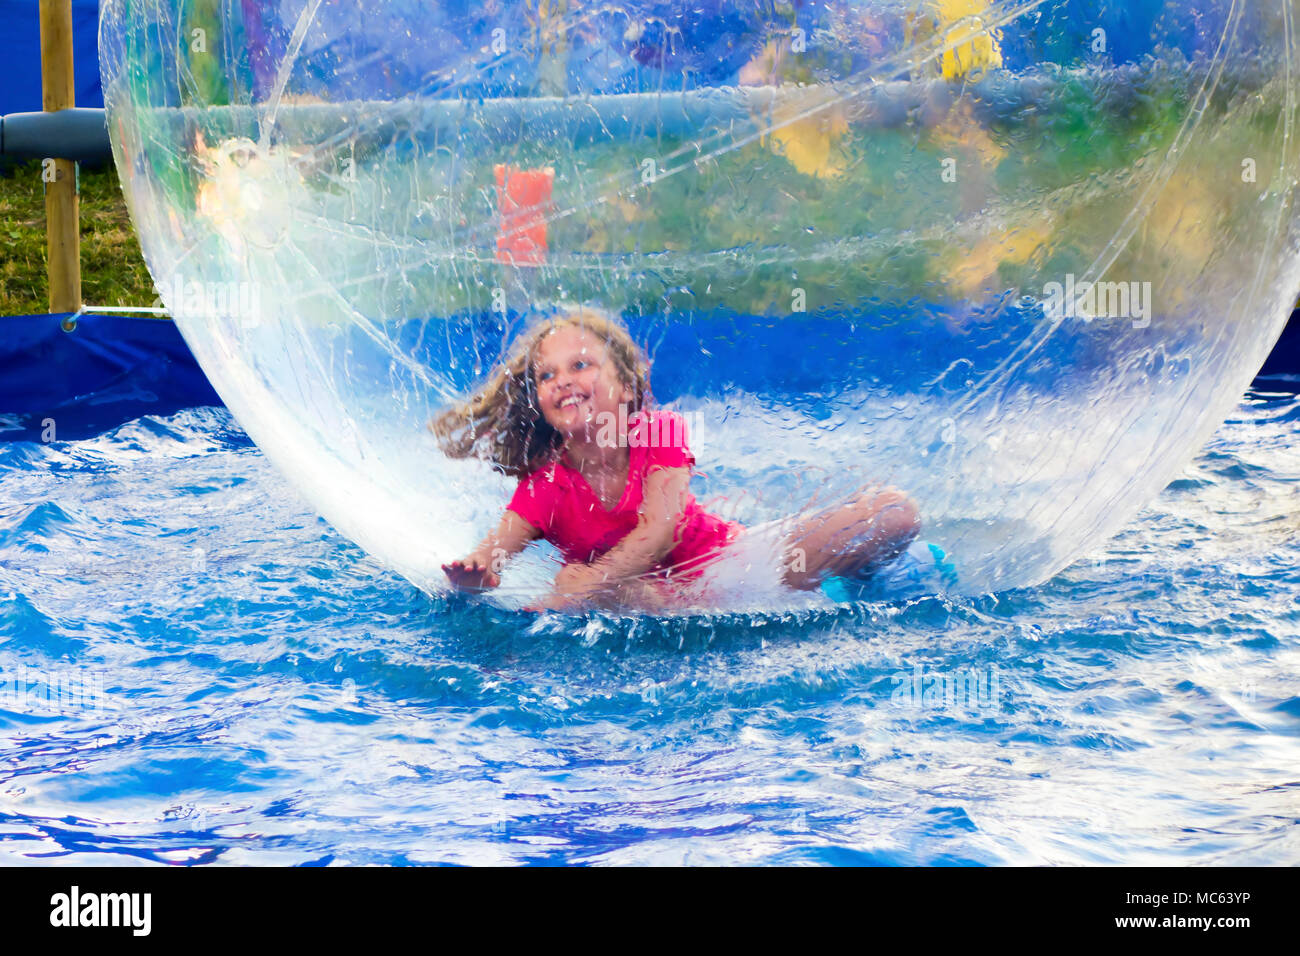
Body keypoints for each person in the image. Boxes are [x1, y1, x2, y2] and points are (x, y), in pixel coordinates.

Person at [431, 306, 920, 611]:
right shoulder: (544, 487)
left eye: (580, 365)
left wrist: (583, 587)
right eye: (546, 376)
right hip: (648, 603)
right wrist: (475, 571)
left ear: (624, 386)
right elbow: (497, 549)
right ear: (539, 401)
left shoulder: (659, 433)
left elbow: (658, 531)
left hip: (733, 568)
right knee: (598, 588)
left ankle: (848, 578)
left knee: (896, 514)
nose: (561, 380)